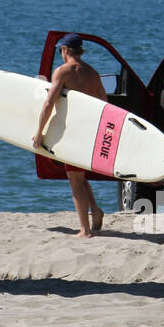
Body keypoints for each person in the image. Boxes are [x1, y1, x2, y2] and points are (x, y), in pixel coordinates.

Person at [32, 34, 107, 238]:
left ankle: (85, 229)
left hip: (73, 133)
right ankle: (96, 211)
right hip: (89, 131)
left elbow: (48, 104)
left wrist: (39, 133)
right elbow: (104, 103)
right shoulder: (93, 74)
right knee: (79, 175)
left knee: (74, 179)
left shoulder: (63, 72)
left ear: (65, 50)